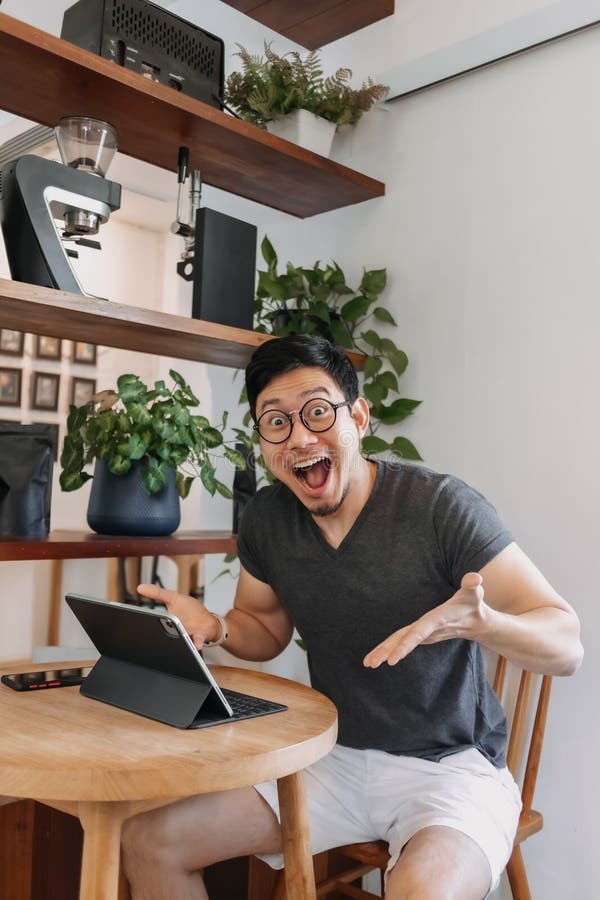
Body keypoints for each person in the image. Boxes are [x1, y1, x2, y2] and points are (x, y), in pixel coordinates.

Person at [122, 334, 583, 900]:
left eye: (318, 412)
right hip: (330, 756)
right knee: (148, 840)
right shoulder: (268, 518)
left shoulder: (440, 507)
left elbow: (566, 643)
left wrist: (487, 625)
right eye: (276, 422)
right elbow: (263, 628)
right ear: (263, 441)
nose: (299, 437)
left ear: (359, 417)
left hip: (450, 769)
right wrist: (217, 627)